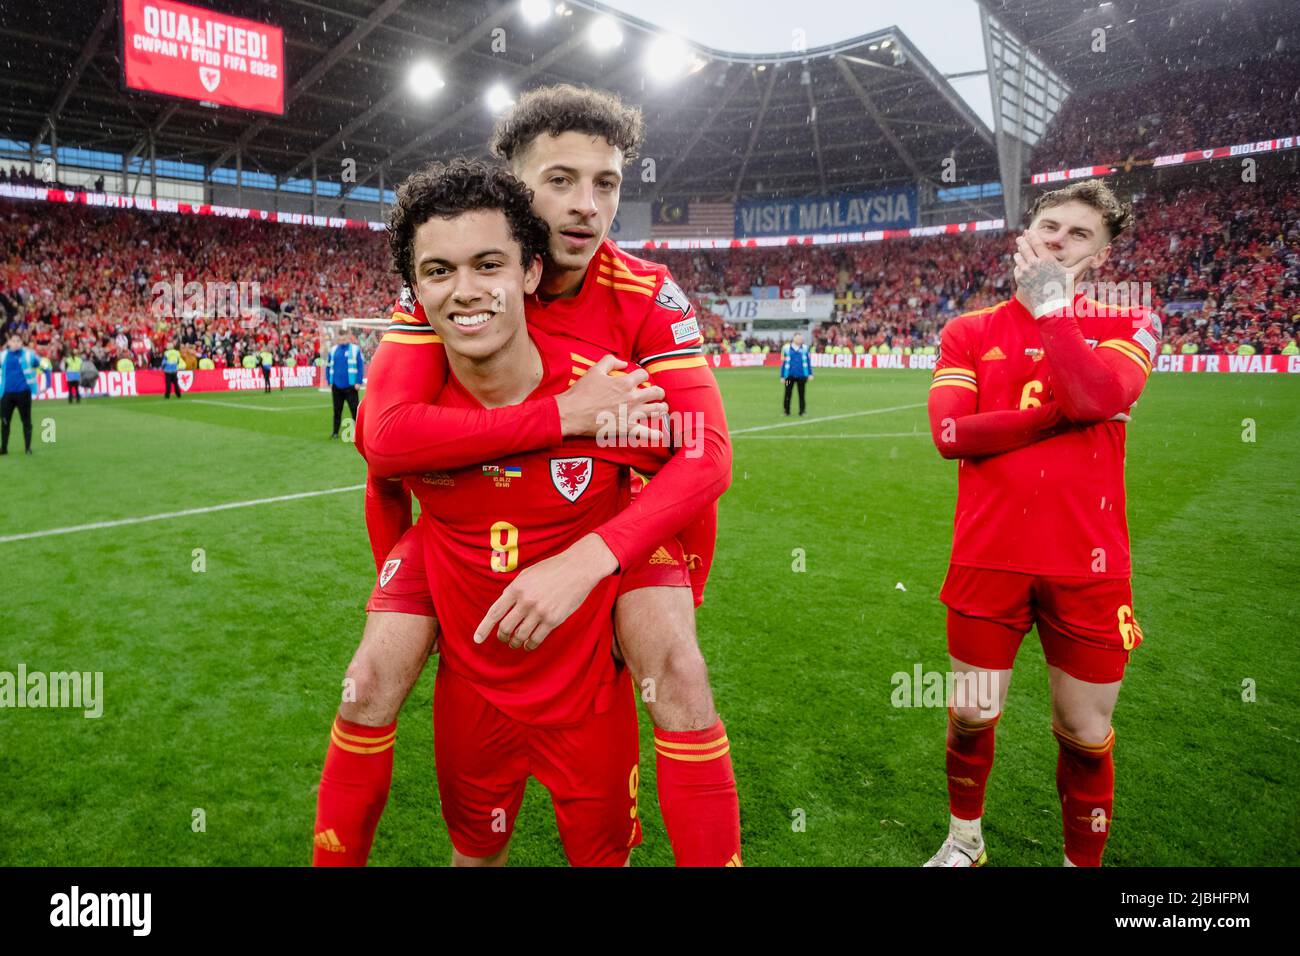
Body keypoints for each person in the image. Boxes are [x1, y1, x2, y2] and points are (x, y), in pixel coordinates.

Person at [351, 84, 740, 867]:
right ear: (513, 187)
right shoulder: (458, 287)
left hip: (610, 521)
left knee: (679, 672)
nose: (586, 206)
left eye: (606, 184)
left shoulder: (648, 293)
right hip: (463, 528)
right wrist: (569, 416)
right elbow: (386, 442)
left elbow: (706, 452)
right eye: (559, 180)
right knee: (368, 685)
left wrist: (593, 560)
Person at [924, 178, 1157, 868]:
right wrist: (1061, 415)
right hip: (986, 556)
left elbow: (1099, 391)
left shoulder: (1127, 320)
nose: (1057, 241)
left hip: (1087, 564)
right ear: (1026, 234)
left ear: (1105, 255)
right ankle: (965, 839)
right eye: (1049, 227)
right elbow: (949, 434)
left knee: (1083, 731)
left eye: (1079, 234)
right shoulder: (969, 329)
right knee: (971, 715)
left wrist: (1055, 309)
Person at [0, 334, 40, 455]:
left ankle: (27, 448)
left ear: (21, 343)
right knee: (5, 422)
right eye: (13, 340)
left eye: (18, 340)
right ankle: (4, 449)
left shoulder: (28, 354)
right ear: (9, 343)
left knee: (26, 421)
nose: (16, 343)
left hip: (23, 392)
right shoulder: (3, 355)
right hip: (7, 394)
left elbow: (38, 363)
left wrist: (36, 358)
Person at [327, 334, 363, 439]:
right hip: (336, 386)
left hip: (350, 386)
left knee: (355, 410)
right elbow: (329, 366)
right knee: (337, 410)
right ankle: (335, 432)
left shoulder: (355, 349)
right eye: (341, 338)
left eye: (344, 338)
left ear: (348, 338)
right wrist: (329, 380)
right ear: (338, 339)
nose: (342, 340)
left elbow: (360, 366)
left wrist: (358, 381)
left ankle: (360, 433)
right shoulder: (333, 350)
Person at [780, 332, 812, 416]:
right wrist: (782, 376)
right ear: (793, 339)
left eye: (801, 338)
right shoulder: (786, 348)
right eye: (798, 338)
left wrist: (810, 374)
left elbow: (808, 362)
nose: (799, 340)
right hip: (788, 376)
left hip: (802, 376)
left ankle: (802, 411)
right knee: (787, 393)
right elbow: (783, 363)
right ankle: (786, 411)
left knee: (802, 394)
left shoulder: (805, 348)